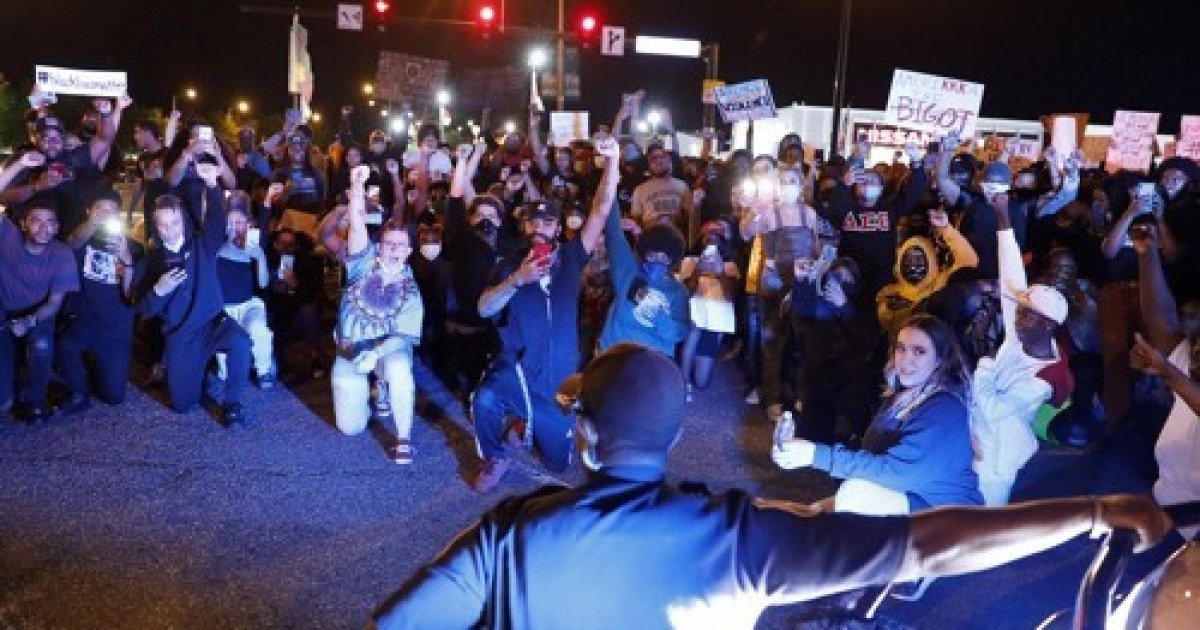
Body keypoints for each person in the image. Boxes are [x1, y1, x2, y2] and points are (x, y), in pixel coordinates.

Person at [373, 343, 1174, 630]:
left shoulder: (508, 536)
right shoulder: (740, 535)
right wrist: (1097, 510)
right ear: (679, 436)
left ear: (581, 437)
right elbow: (930, 546)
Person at [468, 135, 618, 493]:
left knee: (559, 465)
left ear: (558, 228)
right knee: (485, 399)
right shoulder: (508, 262)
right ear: (525, 228)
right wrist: (517, 281)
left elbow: (600, 209)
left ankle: (525, 423)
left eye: (548, 224)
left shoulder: (570, 257)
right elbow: (483, 307)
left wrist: (611, 160)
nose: (540, 229)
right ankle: (496, 454)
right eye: (534, 224)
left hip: (560, 379)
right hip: (519, 370)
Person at [775, 314, 983, 515]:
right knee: (818, 512)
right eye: (900, 349)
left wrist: (815, 455)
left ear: (940, 359)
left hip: (949, 521)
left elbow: (895, 472)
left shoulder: (945, 410)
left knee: (855, 495)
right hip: (913, 501)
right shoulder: (903, 397)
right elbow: (871, 456)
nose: (905, 360)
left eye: (919, 352)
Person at [970, 193, 1073, 506]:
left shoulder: (1047, 375)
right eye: (1021, 308)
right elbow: (1011, 275)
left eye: (1027, 312)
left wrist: (986, 361)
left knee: (981, 522)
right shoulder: (1023, 333)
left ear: (1048, 325)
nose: (1017, 314)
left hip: (998, 457)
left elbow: (994, 410)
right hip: (976, 434)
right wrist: (1004, 220)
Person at [136, 190, 252, 426]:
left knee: (241, 341)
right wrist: (159, 290)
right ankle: (197, 371)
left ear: (183, 221)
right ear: (156, 227)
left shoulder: (201, 244)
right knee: (182, 405)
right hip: (181, 335)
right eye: (163, 225)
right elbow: (144, 310)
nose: (170, 230)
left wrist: (211, 185)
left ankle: (232, 403)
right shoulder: (152, 260)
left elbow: (217, 221)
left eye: (175, 222)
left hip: (213, 323)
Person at [331, 167, 423, 463]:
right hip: (350, 349)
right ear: (379, 245)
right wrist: (356, 185)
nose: (394, 248)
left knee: (398, 369)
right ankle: (372, 391)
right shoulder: (362, 262)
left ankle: (403, 436)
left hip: (385, 350)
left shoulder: (411, 289)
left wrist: (376, 355)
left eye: (400, 245)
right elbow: (356, 223)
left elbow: (402, 335)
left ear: (409, 251)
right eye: (388, 243)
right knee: (351, 428)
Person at [1130, 222, 1200, 542]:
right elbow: (1160, 317)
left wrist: (1167, 372)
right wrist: (1147, 255)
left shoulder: (1183, 374)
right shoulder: (1190, 360)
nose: (1195, 351)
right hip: (1168, 509)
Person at [0, 153, 80, 422]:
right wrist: (21, 165)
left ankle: (36, 400)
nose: (43, 227)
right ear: (23, 223)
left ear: (57, 227)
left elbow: (55, 303)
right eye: (36, 220)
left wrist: (28, 321)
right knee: (4, 402)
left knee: (43, 344)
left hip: (38, 316)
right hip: (3, 314)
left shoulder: (62, 254)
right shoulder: (7, 237)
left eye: (50, 222)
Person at [57, 188, 143, 414]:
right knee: (64, 346)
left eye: (111, 211)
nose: (105, 215)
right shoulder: (82, 239)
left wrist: (127, 262)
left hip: (116, 328)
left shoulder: (134, 248)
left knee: (113, 397)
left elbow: (132, 295)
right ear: (89, 212)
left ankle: (99, 366)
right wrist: (93, 224)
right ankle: (79, 391)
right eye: (99, 210)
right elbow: (72, 243)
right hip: (85, 321)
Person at [215, 194, 275, 387]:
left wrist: (260, 257)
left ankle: (264, 370)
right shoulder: (217, 246)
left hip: (248, 304)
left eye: (239, 222)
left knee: (259, 330)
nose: (234, 227)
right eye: (229, 222)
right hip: (223, 308)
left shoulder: (253, 247)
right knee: (225, 371)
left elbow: (263, 284)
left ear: (248, 225)